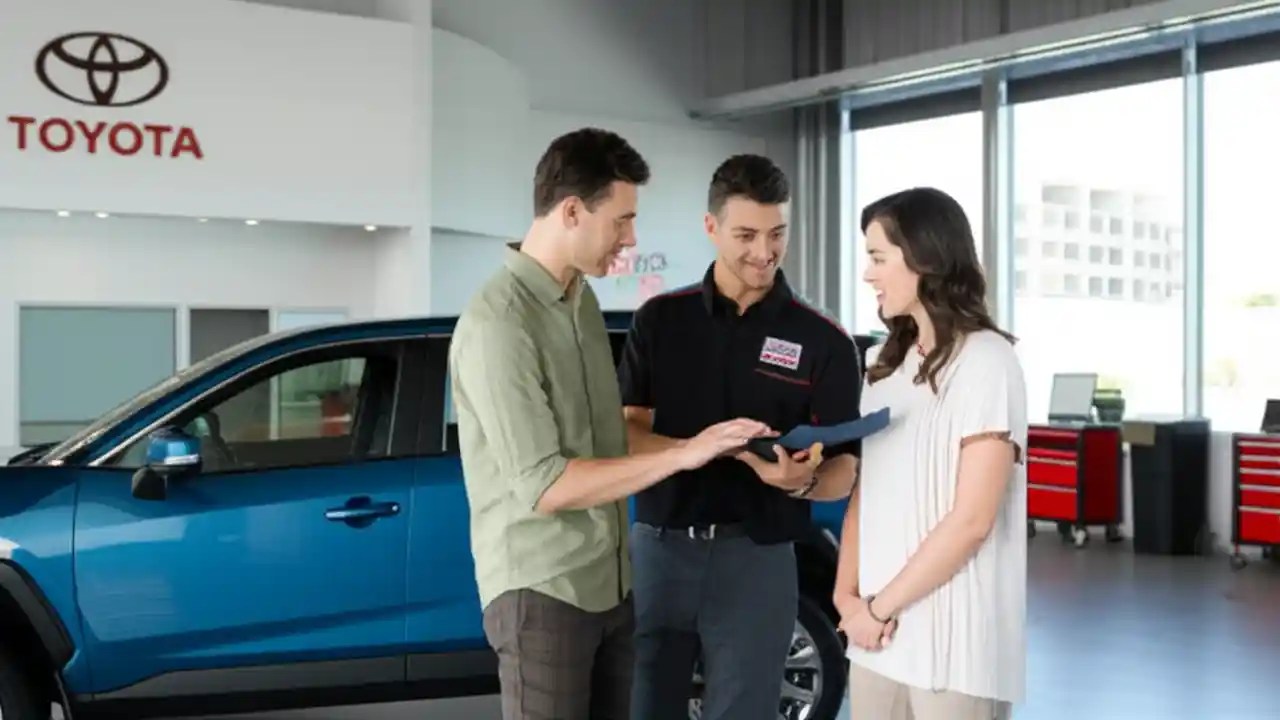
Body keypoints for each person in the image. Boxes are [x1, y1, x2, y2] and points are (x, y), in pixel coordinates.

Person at [449, 128, 773, 720]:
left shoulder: (580, 300)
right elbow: (545, 485)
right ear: (572, 211)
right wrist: (679, 457)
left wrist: (704, 447)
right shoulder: (499, 323)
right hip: (544, 590)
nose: (631, 239)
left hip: (609, 582)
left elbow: (606, 434)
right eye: (621, 221)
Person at [618, 153, 863, 720]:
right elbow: (628, 432)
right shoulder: (660, 320)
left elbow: (844, 469)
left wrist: (800, 484)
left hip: (759, 557)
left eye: (777, 234)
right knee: (645, 707)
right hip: (660, 548)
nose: (764, 252)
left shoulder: (823, 341)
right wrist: (693, 449)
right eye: (746, 234)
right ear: (711, 228)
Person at [835, 186, 1028, 720]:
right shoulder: (883, 365)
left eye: (878, 258)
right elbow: (865, 491)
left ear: (924, 258)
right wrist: (846, 599)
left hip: (954, 641)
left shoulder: (987, 362)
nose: (869, 273)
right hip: (876, 635)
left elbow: (971, 521)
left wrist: (878, 607)